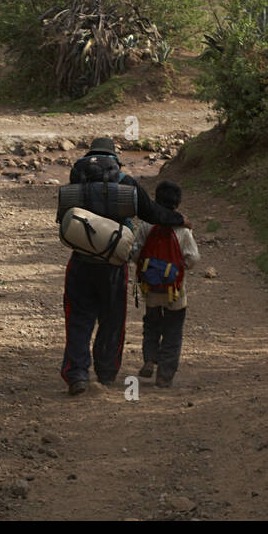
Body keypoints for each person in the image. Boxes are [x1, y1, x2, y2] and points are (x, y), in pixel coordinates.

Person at [59, 137, 190, 396]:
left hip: (80, 264)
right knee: (112, 320)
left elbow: (64, 221)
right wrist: (180, 220)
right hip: (114, 265)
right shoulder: (125, 182)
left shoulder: (77, 182)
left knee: (78, 320)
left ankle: (77, 375)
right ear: (114, 159)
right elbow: (152, 213)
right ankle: (106, 375)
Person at [130, 181, 199, 388]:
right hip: (175, 291)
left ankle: (150, 359)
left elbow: (135, 252)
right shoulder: (183, 230)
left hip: (151, 289)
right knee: (173, 330)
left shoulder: (145, 225)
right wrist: (180, 268)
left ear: (156, 200)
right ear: (177, 204)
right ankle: (165, 375)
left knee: (151, 324)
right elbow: (193, 258)